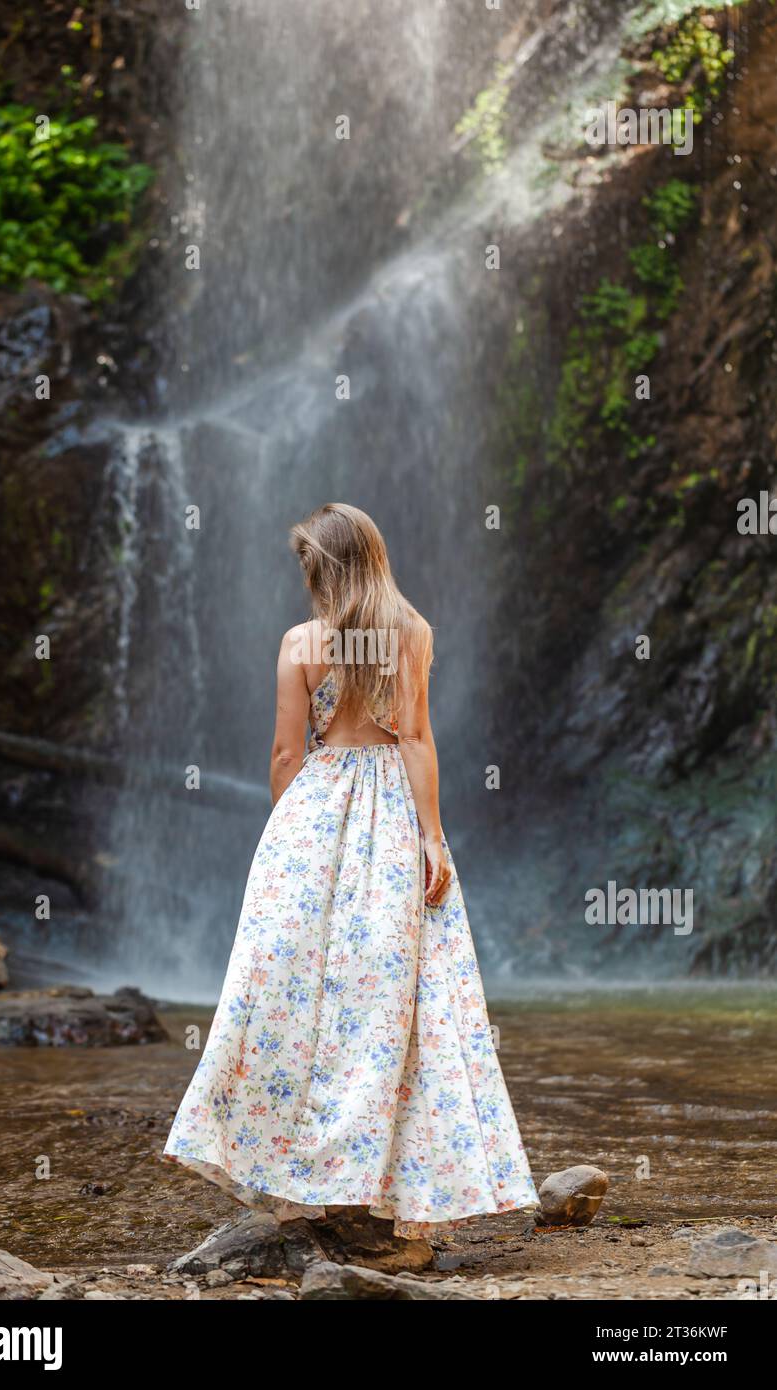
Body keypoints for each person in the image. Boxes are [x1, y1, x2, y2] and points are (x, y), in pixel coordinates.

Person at [162, 502, 537, 1235]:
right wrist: (431, 838)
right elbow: (419, 739)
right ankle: (389, 1181)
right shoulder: (414, 634)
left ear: (325, 568)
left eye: (309, 564)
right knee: (399, 999)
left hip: (317, 807)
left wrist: (288, 833)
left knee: (288, 988)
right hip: (396, 814)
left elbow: (284, 755)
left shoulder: (303, 642)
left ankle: (291, 1159)